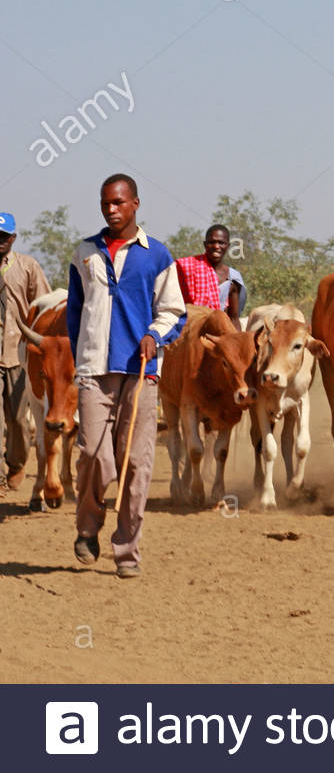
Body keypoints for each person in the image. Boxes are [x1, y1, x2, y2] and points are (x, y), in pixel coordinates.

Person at [69, 174, 185, 579]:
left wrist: (155, 334)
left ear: (136, 203)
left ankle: (127, 552)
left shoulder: (157, 255)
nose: (111, 210)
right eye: (105, 204)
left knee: (137, 465)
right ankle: (87, 530)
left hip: (140, 372)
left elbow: (173, 311)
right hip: (95, 371)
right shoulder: (85, 252)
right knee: (94, 456)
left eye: (119, 202)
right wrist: (78, 359)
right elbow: (75, 312)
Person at [0, 213, 51, 494]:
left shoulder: (27, 266)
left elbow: (43, 307)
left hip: (18, 352)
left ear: (13, 238)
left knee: (18, 420)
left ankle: (16, 463)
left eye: (3, 236)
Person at [174, 224, 244, 326]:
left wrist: (237, 340)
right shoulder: (186, 267)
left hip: (218, 332)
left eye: (221, 243)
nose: (216, 246)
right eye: (212, 242)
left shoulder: (233, 278)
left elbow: (233, 318)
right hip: (188, 330)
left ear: (228, 246)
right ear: (205, 244)